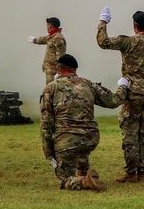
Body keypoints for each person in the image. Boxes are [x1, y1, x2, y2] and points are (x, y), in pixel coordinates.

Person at [97, 7, 144, 182]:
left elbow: (103, 42)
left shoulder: (128, 42)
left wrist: (103, 22)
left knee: (130, 134)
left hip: (132, 94)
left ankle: (131, 173)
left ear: (135, 26)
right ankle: (143, 173)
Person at [40, 54, 127, 192]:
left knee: (65, 180)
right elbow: (114, 101)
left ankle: (84, 182)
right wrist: (123, 86)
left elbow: (46, 123)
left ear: (58, 68)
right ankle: (84, 174)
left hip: (66, 141)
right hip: (90, 138)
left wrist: (48, 152)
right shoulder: (88, 84)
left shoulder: (51, 88)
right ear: (75, 69)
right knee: (81, 150)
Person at [29, 17, 67, 85]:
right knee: (49, 88)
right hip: (50, 70)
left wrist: (59, 72)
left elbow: (60, 56)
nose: (46, 27)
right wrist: (34, 40)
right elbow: (44, 39)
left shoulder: (58, 39)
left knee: (52, 89)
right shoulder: (52, 36)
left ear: (50, 26)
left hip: (54, 70)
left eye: (47, 25)